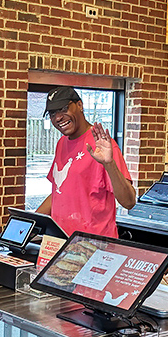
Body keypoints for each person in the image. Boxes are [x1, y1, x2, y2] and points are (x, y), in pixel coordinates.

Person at [36, 86, 136, 238]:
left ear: (80, 105)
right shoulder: (62, 143)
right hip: (61, 243)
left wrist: (109, 164)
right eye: (52, 113)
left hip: (94, 245)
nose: (58, 118)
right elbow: (59, 194)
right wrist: (25, 223)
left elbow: (129, 201)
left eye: (63, 109)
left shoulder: (102, 146)